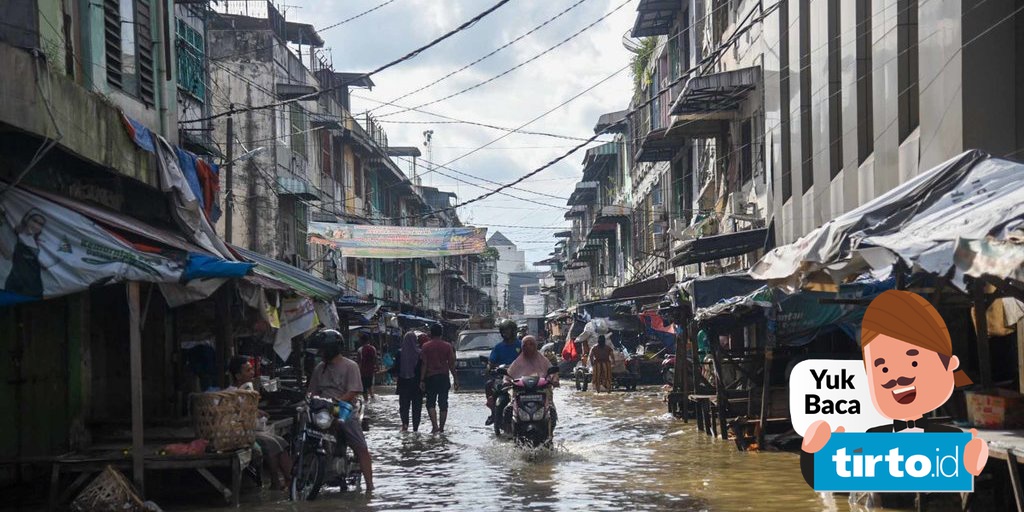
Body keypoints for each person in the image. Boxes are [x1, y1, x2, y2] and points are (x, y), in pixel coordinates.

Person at [799, 290, 989, 488]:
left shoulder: (950, 438)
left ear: (949, 364)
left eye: (914, 363)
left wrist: (972, 460)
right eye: (884, 368)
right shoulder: (874, 437)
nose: (898, 378)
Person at [308, 338, 374, 492]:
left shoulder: (350, 366)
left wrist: (336, 402)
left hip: (342, 408)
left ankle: (370, 485)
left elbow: (353, 391)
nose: (321, 354)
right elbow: (312, 391)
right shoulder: (319, 368)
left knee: (360, 447)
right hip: (322, 409)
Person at [228, 355, 293, 490]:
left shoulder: (247, 391)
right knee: (271, 443)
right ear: (238, 376)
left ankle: (289, 478)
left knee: (280, 441)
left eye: (251, 369)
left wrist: (257, 412)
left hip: (251, 429)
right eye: (248, 370)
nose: (252, 373)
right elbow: (235, 415)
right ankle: (277, 482)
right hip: (239, 433)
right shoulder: (230, 393)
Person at [0, 208, 54, 298]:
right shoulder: (15, 234)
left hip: (34, 286)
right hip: (16, 284)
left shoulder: (36, 242)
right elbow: (7, 255)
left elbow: (34, 262)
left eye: (40, 224)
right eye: (34, 221)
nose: (36, 225)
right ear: (27, 219)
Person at [420, 323, 458, 433]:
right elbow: (451, 364)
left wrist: (422, 380)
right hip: (443, 377)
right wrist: (456, 379)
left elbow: (424, 364)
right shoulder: (447, 346)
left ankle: (434, 426)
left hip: (430, 377)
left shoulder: (425, 346)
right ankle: (441, 428)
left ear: (431, 333)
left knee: (430, 403)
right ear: (441, 333)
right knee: (443, 403)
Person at [486, 320, 522, 426]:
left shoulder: (522, 345)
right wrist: (490, 368)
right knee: (488, 385)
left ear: (514, 331)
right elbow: (491, 362)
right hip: (503, 377)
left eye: (507, 330)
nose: (505, 333)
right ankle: (493, 413)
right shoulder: (498, 347)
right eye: (503, 331)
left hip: (520, 377)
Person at [394, 330, 424, 432]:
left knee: (404, 406)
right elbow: (422, 369)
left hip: (403, 383)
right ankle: (415, 428)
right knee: (417, 407)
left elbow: (396, 369)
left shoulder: (399, 353)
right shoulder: (420, 353)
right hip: (416, 384)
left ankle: (405, 425)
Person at [357, 334, 378, 402]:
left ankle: (366, 401)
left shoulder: (360, 349)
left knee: (364, 387)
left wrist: (358, 371)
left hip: (362, 371)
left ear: (362, 340)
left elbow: (359, 361)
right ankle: (372, 398)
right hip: (371, 371)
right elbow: (375, 359)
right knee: (370, 385)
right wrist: (376, 367)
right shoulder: (373, 348)